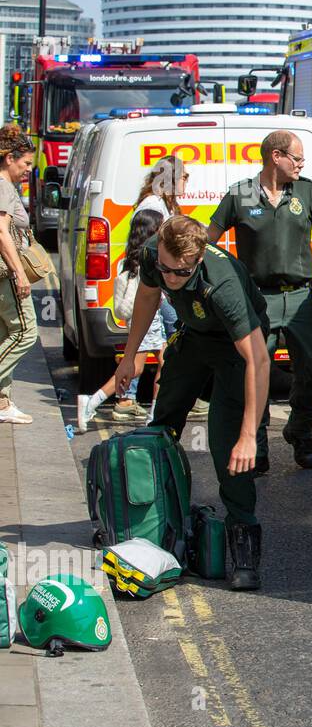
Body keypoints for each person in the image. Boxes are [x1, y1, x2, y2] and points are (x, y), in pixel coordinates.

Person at [116, 214, 271, 590]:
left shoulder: (223, 284)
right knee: (161, 424)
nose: (171, 278)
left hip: (238, 351)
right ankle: (151, 520)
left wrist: (248, 435)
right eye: (166, 269)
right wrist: (129, 354)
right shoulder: (157, 254)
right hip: (195, 337)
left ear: (198, 261)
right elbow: (148, 297)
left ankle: (244, 546)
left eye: (180, 274)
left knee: (226, 445)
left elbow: (259, 360)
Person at [206, 130, 312, 473]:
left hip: (300, 298)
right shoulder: (239, 194)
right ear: (275, 157)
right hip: (257, 300)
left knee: (311, 368)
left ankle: (300, 431)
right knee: (255, 370)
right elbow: (209, 241)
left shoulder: (305, 190)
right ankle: (258, 442)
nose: (301, 164)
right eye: (296, 158)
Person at [107, 155, 191, 422]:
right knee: (167, 350)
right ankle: (136, 403)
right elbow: (147, 249)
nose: (187, 182)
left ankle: (133, 400)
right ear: (169, 180)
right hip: (156, 286)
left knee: (159, 349)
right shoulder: (153, 208)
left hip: (161, 285)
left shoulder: (162, 205)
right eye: (184, 177)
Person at [77, 210, 167, 431]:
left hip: (141, 318)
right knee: (140, 367)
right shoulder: (151, 256)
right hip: (148, 319)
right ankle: (93, 401)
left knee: (161, 363)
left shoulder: (131, 258)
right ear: (152, 231)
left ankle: (152, 415)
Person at [0, 125, 39, 425]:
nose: (28, 170)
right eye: (25, 163)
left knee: (6, 334)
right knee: (26, 333)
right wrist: (19, 273)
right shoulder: (2, 184)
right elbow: (1, 232)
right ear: (9, 158)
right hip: (5, 273)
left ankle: (2, 403)